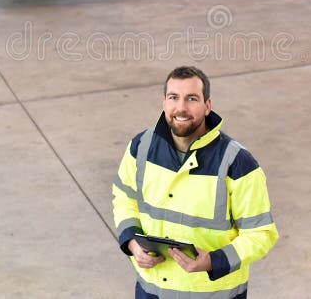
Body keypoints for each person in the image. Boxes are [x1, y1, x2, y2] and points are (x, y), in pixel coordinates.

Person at [112, 66, 278, 298]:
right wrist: (131, 242)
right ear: (164, 103)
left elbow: (261, 233)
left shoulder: (237, 163)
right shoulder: (141, 146)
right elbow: (124, 198)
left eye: (191, 99)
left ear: (207, 105)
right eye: (174, 98)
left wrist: (213, 261)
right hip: (152, 292)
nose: (181, 108)